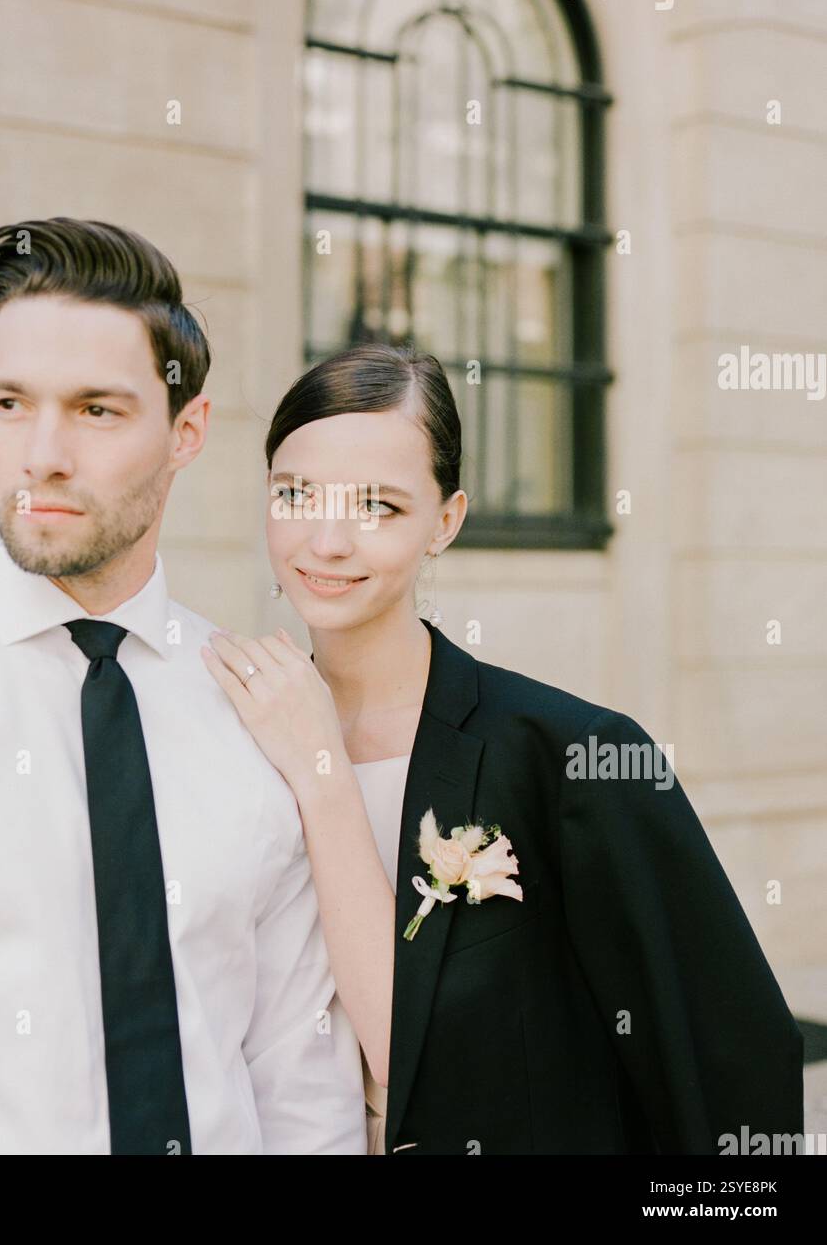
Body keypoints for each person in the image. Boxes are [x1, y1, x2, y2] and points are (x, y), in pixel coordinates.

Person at [0, 217, 367, 1155]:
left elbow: (297, 1078)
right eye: (8, 404)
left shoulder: (254, 709)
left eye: (96, 410)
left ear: (186, 430)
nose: (42, 455)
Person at [202, 342, 806, 1156]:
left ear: (445, 522)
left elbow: (734, 1064)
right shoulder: (228, 741)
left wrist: (324, 774)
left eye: (376, 505)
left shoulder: (572, 759)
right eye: (296, 494)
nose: (327, 541)